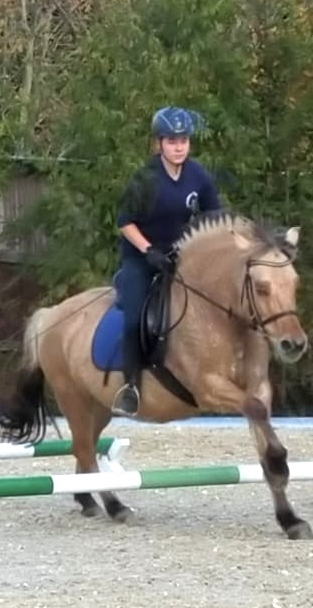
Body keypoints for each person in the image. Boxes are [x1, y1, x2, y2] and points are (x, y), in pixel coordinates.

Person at [111, 106, 222, 417]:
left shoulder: (198, 175)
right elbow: (125, 222)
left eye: (183, 140)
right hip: (143, 258)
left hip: (182, 258)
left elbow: (214, 216)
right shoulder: (145, 178)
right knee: (135, 318)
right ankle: (130, 386)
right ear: (159, 143)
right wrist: (149, 251)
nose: (178, 147)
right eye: (172, 141)